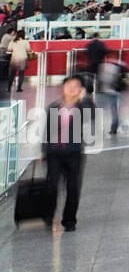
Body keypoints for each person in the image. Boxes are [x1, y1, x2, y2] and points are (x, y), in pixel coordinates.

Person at [42, 73, 96, 231]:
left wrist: (86, 98)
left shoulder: (82, 106)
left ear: (80, 89)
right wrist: (43, 151)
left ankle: (69, 220)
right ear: (63, 89)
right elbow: (47, 131)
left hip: (74, 153)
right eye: (69, 86)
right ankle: (48, 216)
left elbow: (92, 115)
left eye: (76, 86)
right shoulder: (53, 107)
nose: (72, 89)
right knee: (51, 186)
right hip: (54, 153)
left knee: (73, 188)